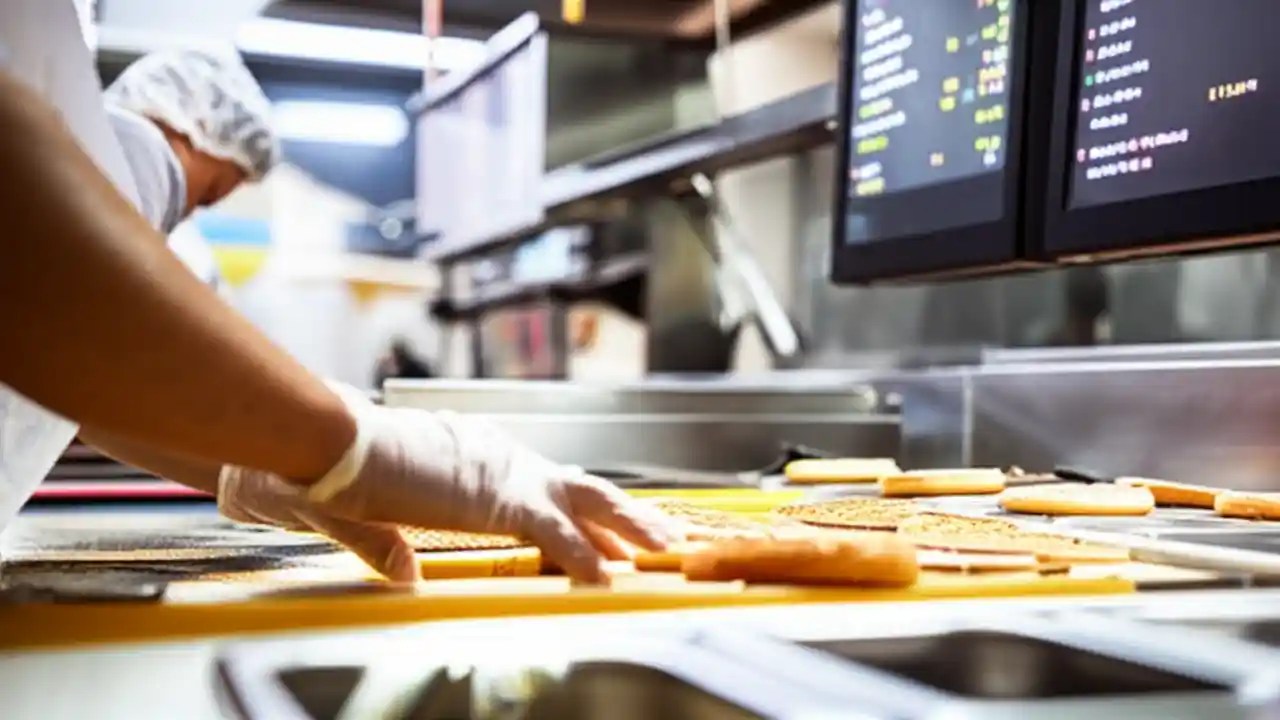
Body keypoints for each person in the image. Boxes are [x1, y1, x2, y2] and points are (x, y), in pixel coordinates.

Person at [0, 0, 671, 583]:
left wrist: (259, 466)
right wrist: (365, 448)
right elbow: (29, 259)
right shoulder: (132, 161)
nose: (196, 209)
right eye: (213, 191)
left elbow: (78, 365)